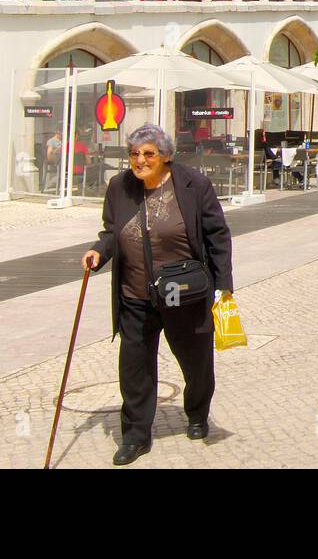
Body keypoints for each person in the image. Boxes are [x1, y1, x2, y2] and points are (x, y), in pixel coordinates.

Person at [82, 124, 234, 466]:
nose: (140, 160)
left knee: (196, 362)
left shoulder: (194, 184)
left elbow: (217, 235)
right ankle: (135, 436)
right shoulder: (119, 187)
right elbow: (111, 231)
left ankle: (197, 413)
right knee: (134, 369)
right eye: (134, 153)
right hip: (135, 294)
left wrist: (223, 285)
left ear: (165, 155)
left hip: (183, 293)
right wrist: (98, 251)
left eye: (148, 153)